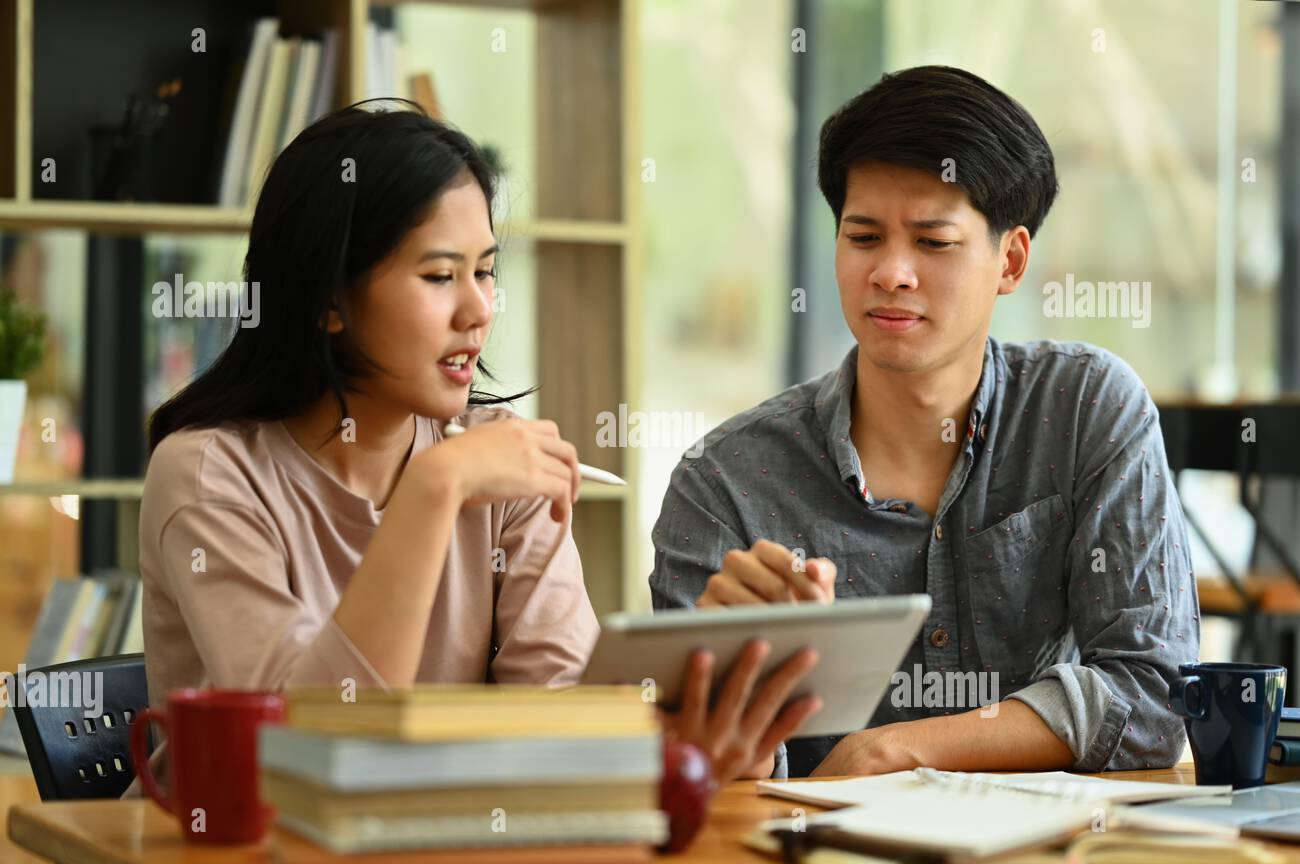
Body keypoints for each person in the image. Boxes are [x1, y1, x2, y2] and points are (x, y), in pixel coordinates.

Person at [130, 102, 818, 796]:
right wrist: (434, 492)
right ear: (328, 298)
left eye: (485, 272)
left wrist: (705, 687)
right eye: (439, 276)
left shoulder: (495, 464)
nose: (480, 308)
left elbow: (559, 721)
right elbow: (304, 751)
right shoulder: (209, 474)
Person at [649, 66, 1198, 779]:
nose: (891, 273)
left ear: (1011, 259)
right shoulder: (724, 483)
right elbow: (702, 780)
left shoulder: (1086, 411)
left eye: (933, 242)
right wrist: (732, 696)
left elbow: (1157, 696)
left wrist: (898, 748)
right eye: (864, 237)